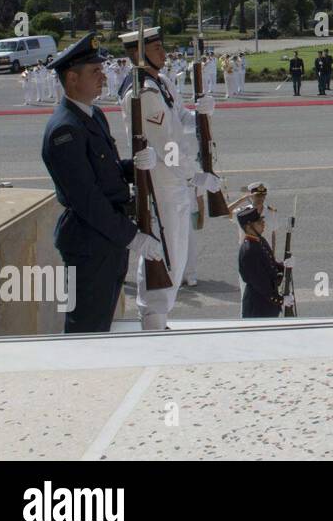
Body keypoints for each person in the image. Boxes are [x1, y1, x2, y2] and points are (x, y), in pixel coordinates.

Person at [40, 33, 164, 333]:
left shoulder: (92, 114)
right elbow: (87, 200)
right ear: (71, 79)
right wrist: (132, 237)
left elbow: (105, 172)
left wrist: (133, 168)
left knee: (102, 324)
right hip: (88, 244)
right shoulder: (64, 132)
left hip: (107, 241)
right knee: (86, 329)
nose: (103, 77)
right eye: (94, 72)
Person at [119, 26, 222, 330]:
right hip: (163, 182)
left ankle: (159, 317)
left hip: (176, 178)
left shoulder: (159, 82)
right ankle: (153, 319)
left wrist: (202, 111)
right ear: (139, 53)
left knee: (174, 252)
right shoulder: (144, 92)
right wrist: (196, 177)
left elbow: (180, 121)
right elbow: (169, 145)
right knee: (166, 254)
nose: (164, 54)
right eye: (157, 49)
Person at [237, 206, 284, 318]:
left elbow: (269, 265)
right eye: (259, 222)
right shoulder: (249, 251)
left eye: (262, 220)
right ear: (248, 227)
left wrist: (283, 266)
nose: (263, 224)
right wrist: (279, 300)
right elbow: (260, 283)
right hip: (258, 307)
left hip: (267, 304)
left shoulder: (260, 241)